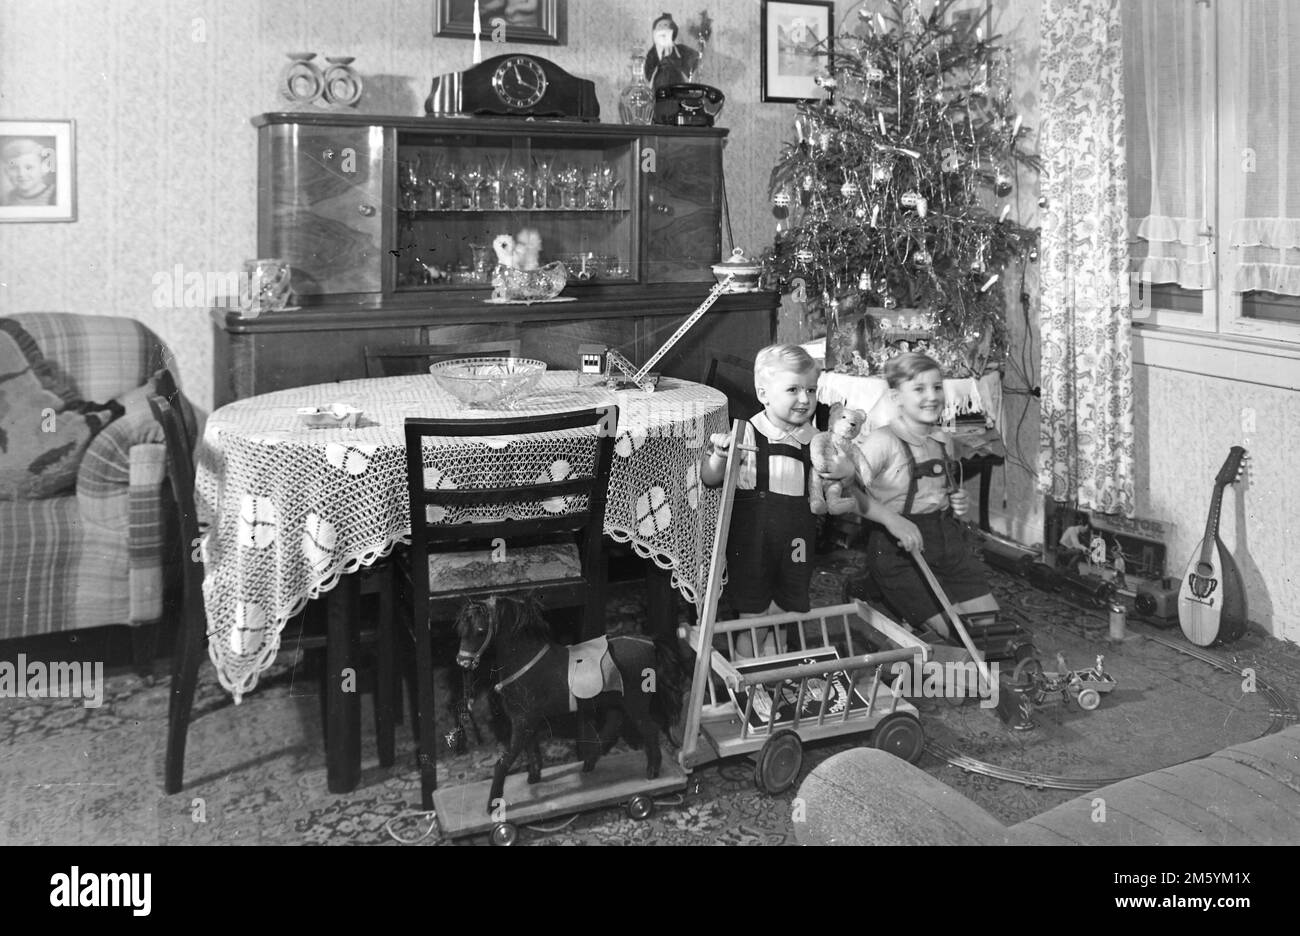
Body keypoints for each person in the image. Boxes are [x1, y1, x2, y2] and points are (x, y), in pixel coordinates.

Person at [848, 352, 998, 641]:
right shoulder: (882, 441)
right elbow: (846, 493)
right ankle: (878, 591)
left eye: (937, 387)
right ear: (896, 397)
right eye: (919, 389)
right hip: (898, 550)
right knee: (961, 636)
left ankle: (901, 607)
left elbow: (939, 490)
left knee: (992, 632)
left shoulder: (942, 440)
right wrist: (892, 520)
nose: (932, 396)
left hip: (946, 543)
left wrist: (956, 499)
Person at [702, 344, 821, 657]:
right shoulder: (747, 432)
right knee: (754, 617)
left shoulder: (813, 439)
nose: (805, 399)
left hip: (796, 542)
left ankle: (778, 673)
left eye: (811, 389)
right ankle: (748, 680)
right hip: (754, 542)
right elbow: (710, 478)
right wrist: (719, 455)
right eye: (793, 389)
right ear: (764, 394)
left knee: (785, 613)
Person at [644, 12, 700, 90]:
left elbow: (696, 59)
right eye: (659, 26)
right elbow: (648, 72)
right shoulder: (652, 53)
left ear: (672, 31)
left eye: (666, 26)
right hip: (659, 89)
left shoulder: (681, 50)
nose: (662, 29)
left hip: (679, 88)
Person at [1, 138, 56, 207]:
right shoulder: (7, 198)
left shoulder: (56, 196)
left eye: (29, 167)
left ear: (44, 169)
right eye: (14, 168)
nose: (21, 174)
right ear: (6, 172)